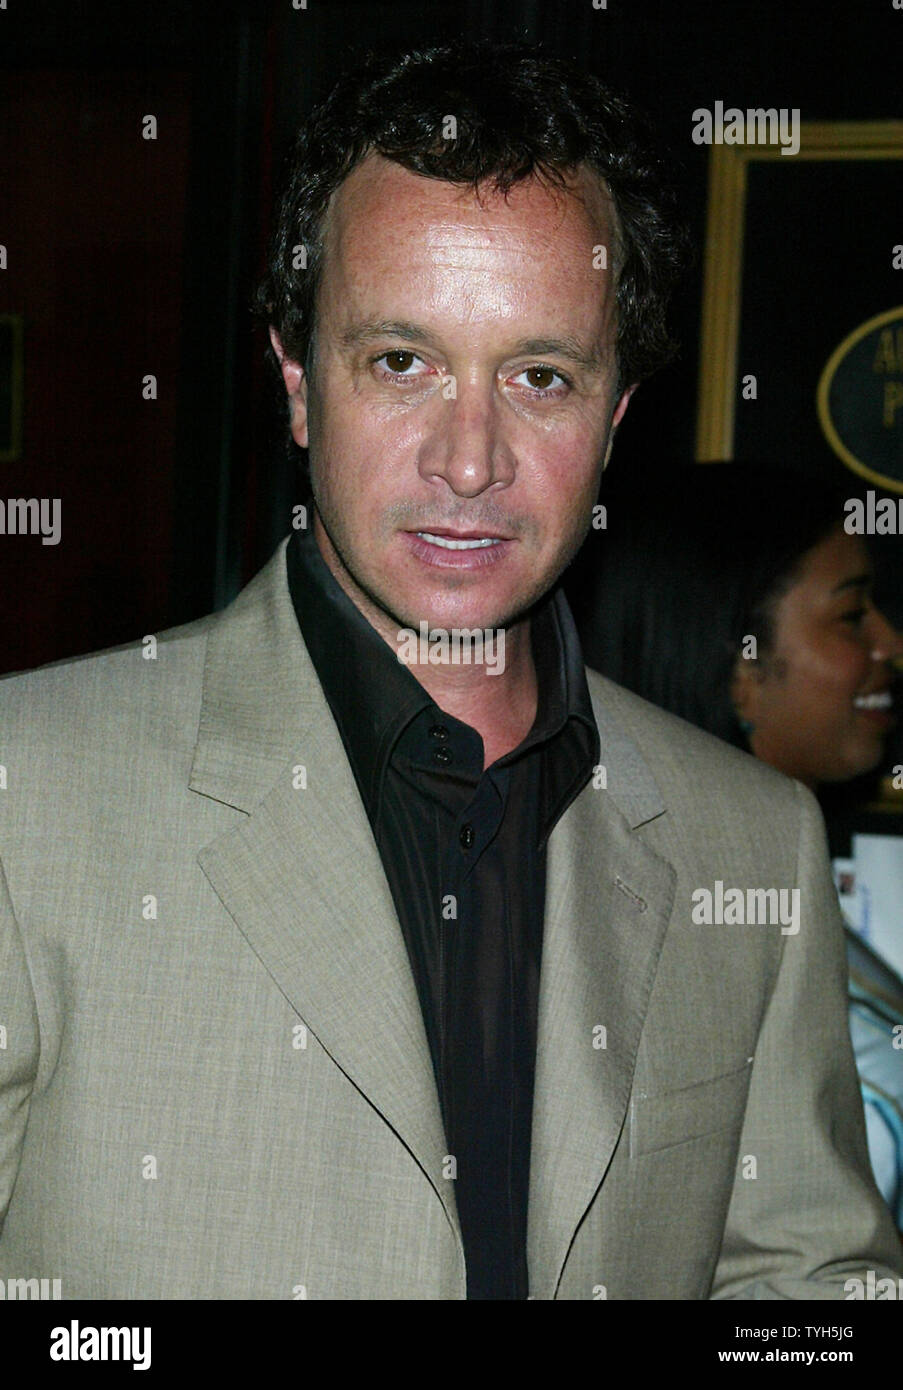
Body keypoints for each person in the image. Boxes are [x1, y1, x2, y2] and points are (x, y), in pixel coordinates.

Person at [1, 42, 900, 1301]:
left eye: (540, 376)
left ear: (617, 420)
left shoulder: (750, 842)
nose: (469, 459)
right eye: (401, 362)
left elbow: (808, 1285)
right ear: (299, 383)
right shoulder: (28, 793)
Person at [573, 461, 903, 1230]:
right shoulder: (674, 936)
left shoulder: (780, 904)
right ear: (743, 666)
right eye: (853, 617)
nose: (888, 643)